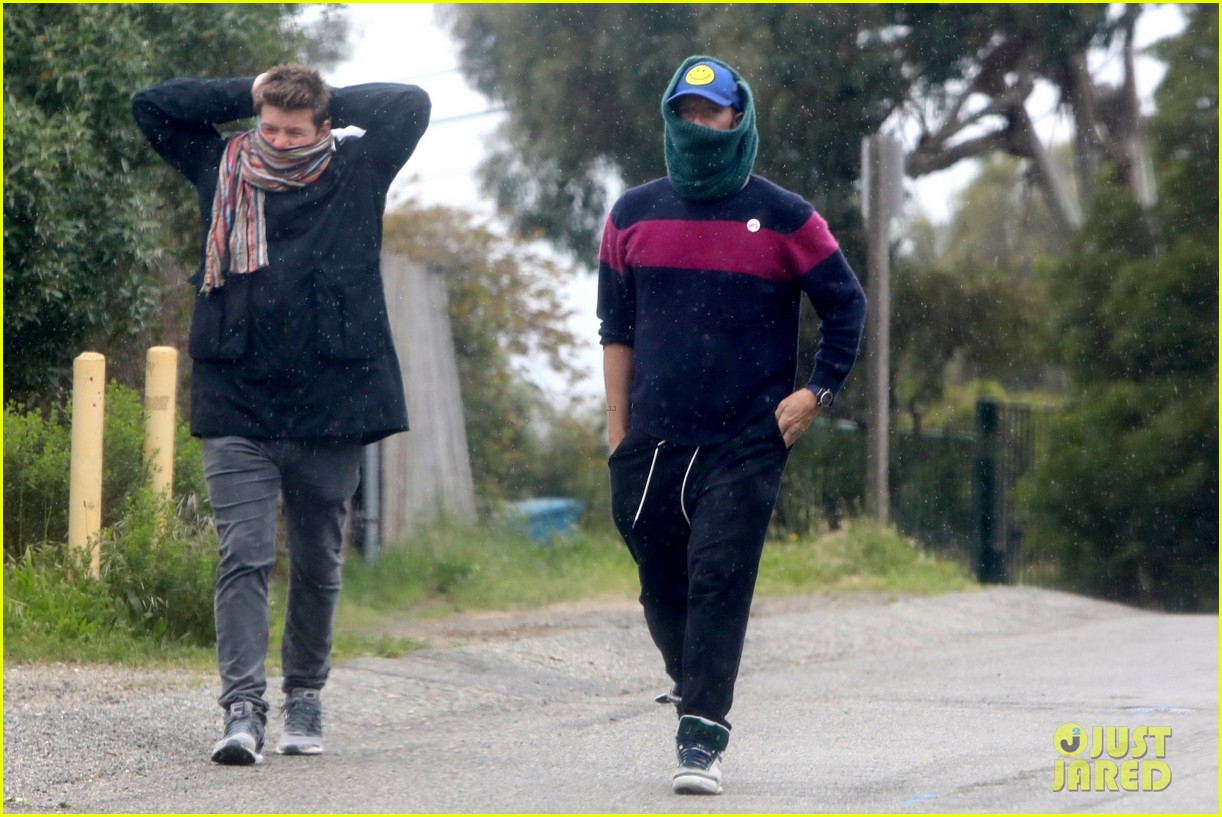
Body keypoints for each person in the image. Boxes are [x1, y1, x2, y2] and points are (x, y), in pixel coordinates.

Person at [132, 65, 430, 765]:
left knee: (320, 557)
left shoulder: (357, 167)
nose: (276, 139)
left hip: (333, 397)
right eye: (267, 126)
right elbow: (153, 107)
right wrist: (253, 88)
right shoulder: (224, 162)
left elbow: (410, 105)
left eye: (293, 129)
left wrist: (326, 94)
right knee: (244, 551)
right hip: (237, 392)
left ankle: (304, 692)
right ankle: (242, 706)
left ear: (324, 128)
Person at [598, 55, 867, 795]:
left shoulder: (786, 215)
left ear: (737, 117)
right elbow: (614, 327)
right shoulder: (631, 214)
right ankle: (693, 681)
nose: (700, 125)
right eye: (687, 112)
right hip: (652, 436)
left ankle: (702, 735)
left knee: (719, 576)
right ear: (671, 118)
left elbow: (846, 304)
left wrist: (816, 391)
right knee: (661, 578)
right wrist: (618, 430)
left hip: (748, 436)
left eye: (713, 112)